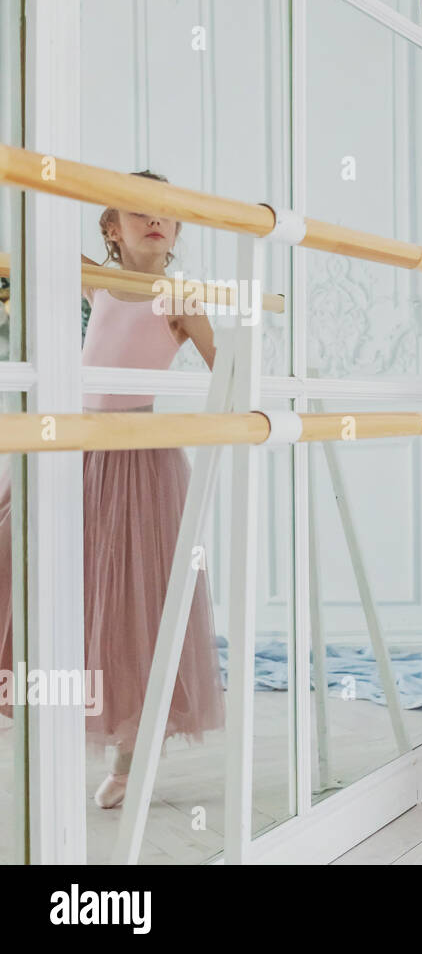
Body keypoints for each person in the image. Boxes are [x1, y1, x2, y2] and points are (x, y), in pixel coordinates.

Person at [0, 170, 226, 810]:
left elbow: (225, 365)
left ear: (177, 228)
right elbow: (28, 242)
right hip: (73, 444)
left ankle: (130, 759)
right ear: (111, 229)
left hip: (136, 458)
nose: (154, 220)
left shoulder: (177, 296)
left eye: (165, 213)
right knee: (15, 554)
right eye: (136, 211)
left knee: (132, 605)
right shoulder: (98, 278)